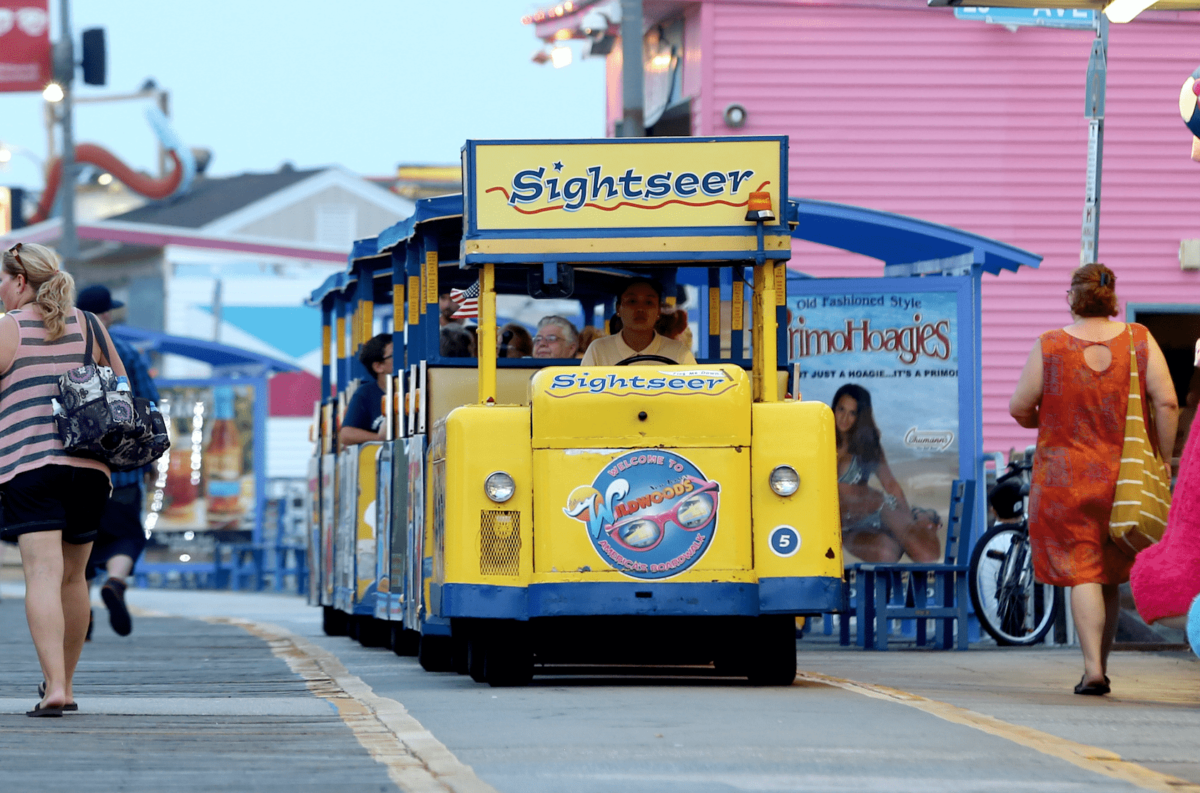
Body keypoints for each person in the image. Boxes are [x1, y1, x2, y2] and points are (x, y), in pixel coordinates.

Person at [1009, 262, 1178, 696]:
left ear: (1073, 297)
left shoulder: (1049, 346)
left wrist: (1044, 420)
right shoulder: (1139, 340)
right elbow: (1168, 402)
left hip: (1065, 477)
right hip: (1126, 477)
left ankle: (1092, 669)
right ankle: (1099, 666)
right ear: (1112, 297)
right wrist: (1161, 457)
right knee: (1107, 573)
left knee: (1083, 570)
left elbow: (1019, 406)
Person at [0, 242, 127, 717]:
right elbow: (121, 387)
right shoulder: (90, 324)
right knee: (75, 578)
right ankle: (66, 685)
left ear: (18, 282)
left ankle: (52, 685)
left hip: (28, 466)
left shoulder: (7, 329)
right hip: (90, 470)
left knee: (43, 574)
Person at [75, 285, 160, 638]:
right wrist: (151, 457)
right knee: (126, 535)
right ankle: (115, 581)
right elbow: (149, 403)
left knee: (80, 540)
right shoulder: (126, 352)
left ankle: (81, 608)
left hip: (79, 465)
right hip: (123, 468)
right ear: (105, 315)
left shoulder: (68, 350)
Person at [832, 383, 941, 564]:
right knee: (887, 553)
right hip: (849, 528)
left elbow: (890, 485)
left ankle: (919, 525)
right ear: (833, 408)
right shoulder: (821, 440)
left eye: (852, 413)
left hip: (880, 511)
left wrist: (907, 519)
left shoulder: (867, 446)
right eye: (841, 409)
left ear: (860, 416)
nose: (844, 418)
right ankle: (922, 523)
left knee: (926, 555)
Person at [580, 279, 696, 366]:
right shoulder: (598, 349)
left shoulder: (679, 352)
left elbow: (695, 394)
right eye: (632, 301)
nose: (640, 308)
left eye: (649, 302)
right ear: (618, 309)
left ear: (658, 311)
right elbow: (584, 394)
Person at [338, 333, 391, 447]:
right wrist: (379, 439)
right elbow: (346, 435)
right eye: (395, 355)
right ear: (378, 366)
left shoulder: (411, 388)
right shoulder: (366, 393)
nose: (404, 358)